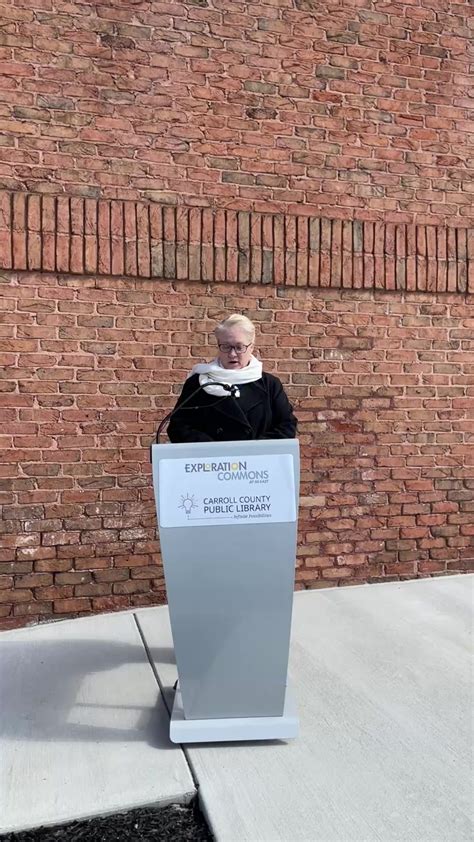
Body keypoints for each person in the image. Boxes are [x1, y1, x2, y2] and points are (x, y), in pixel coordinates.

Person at [166, 314, 297, 443]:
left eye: (239, 347)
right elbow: (178, 427)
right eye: (226, 347)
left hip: (258, 461)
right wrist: (214, 450)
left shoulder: (270, 385)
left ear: (251, 347)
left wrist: (254, 449)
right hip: (212, 462)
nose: (232, 354)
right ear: (218, 345)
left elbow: (286, 426)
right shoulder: (199, 383)